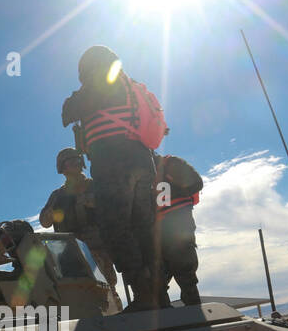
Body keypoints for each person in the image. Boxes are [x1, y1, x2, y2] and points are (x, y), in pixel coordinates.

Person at [61, 45, 164, 310]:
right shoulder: (130, 84)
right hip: (141, 159)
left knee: (114, 227)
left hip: (113, 161)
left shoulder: (100, 79)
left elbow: (69, 111)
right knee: (142, 227)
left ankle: (144, 295)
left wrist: (76, 97)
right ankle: (159, 295)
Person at [39, 147, 118, 289]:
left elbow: (114, 208)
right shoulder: (57, 196)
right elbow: (44, 222)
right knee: (78, 292)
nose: (76, 164)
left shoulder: (95, 186)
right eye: (70, 162)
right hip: (70, 253)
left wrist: (94, 202)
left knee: (105, 289)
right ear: (62, 168)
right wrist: (49, 215)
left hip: (98, 249)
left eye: (77, 161)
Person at [153, 153, 203, 306]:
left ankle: (194, 314)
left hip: (177, 225)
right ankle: (165, 318)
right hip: (157, 230)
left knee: (185, 273)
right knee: (157, 279)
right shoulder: (142, 170)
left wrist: (175, 191)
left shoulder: (169, 164)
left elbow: (196, 184)